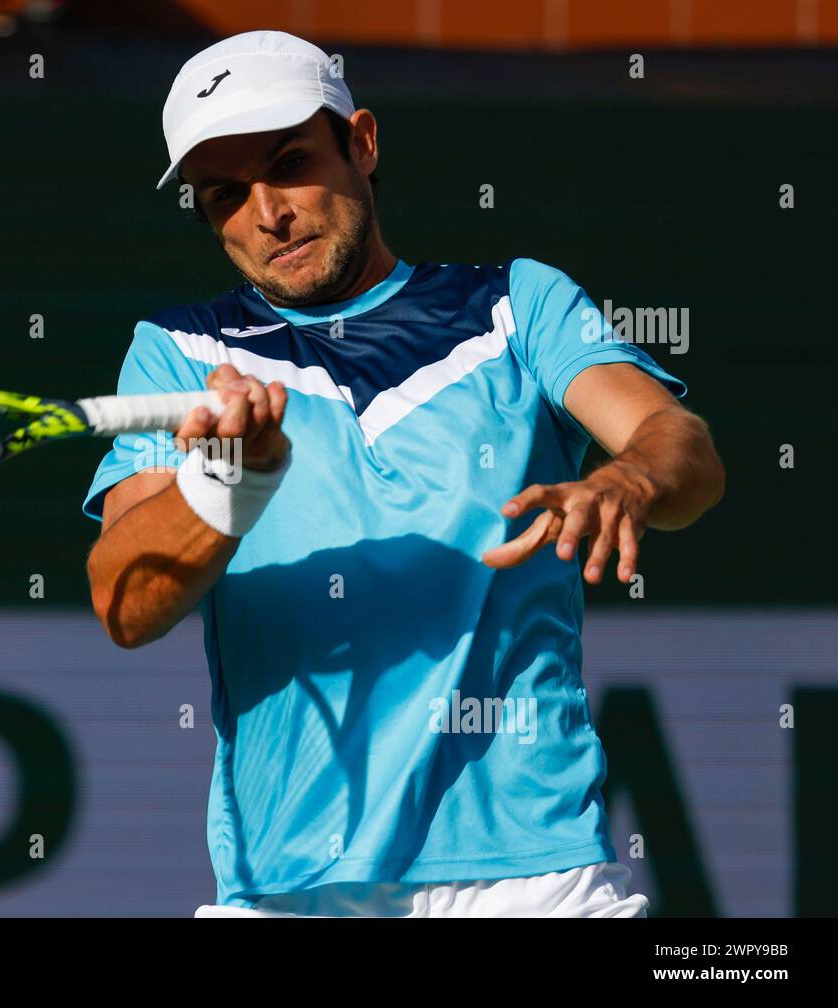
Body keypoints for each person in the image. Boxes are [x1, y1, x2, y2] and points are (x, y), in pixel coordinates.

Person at [83, 30, 724, 917]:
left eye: (291, 163)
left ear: (364, 143)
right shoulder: (178, 353)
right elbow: (124, 601)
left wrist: (631, 481)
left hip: (536, 882)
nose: (268, 213)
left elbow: (675, 438)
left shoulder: (514, 305)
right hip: (290, 885)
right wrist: (228, 480)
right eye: (227, 194)